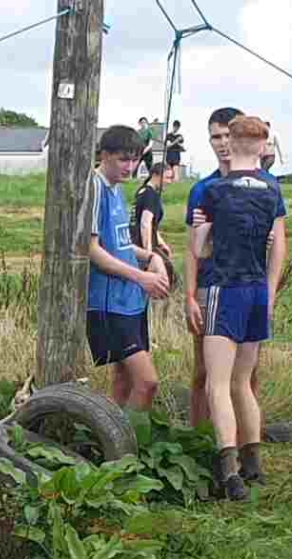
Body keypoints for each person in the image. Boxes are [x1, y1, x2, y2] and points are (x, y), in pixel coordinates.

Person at [192, 115, 286, 499]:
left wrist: (201, 233)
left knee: (217, 384)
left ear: (231, 142)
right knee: (244, 383)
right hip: (256, 289)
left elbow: (199, 249)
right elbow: (278, 243)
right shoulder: (271, 189)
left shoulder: (213, 191)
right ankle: (254, 463)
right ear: (264, 147)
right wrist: (271, 289)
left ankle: (228, 470)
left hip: (222, 287)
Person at [85, 126, 170, 410]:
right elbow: (91, 249)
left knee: (124, 380)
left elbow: (119, 244)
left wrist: (150, 256)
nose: (130, 167)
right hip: (109, 302)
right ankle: (127, 447)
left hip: (130, 300)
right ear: (104, 155)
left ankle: (116, 446)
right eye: (123, 159)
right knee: (147, 382)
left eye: (134, 160)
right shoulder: (94, 187)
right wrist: (142, 277)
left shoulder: (118, 188)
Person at [133, 159, 169, 265]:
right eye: (167, 178)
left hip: (134, 243)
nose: (169, 181)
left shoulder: (142, 190)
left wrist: (162, 243)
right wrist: (148, 254)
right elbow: (145, 224)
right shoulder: (151, 194)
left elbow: (152, 226)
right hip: (140, 246)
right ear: (155, 175)